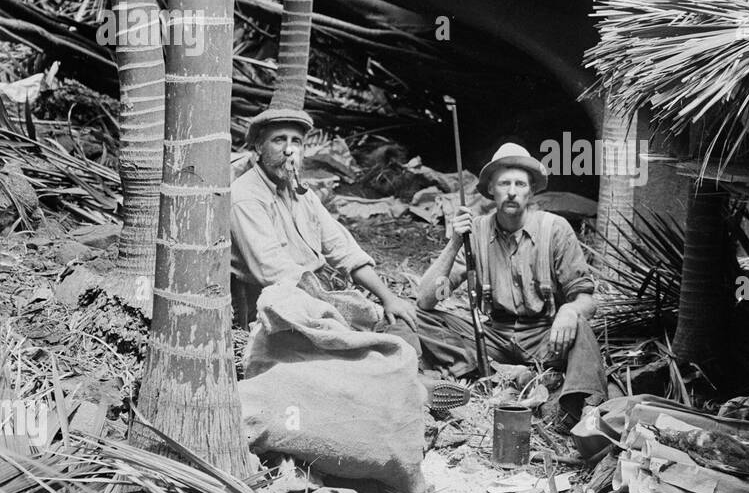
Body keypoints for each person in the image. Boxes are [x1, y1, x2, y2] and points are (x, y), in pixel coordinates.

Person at [415, 143, 607, 419]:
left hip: (547, 338)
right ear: (491, 189)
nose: (513, 191)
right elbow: (427, 298)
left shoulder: (555, 229)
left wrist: (570, 310)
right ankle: (489, 376)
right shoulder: (475, 232)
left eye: (520, 183)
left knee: (581, 329)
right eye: (504, 183)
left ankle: (582, 410)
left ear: (531, 190)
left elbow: (586, 298)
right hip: (494, 337)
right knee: (419, 316)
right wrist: (455, 242)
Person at [230, 106, 421, 355]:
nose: (289, 150)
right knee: (347, 343)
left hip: (317, 295)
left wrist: (388, 298)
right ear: (258, 147)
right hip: (277, 304)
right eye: (279, 140)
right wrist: (338, 306)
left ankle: (405, 371)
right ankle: (399, 375)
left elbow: (342, 249)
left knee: (399, 321)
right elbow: (273, 271)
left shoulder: (303, 195)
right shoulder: (246, 197)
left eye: (296, 141)